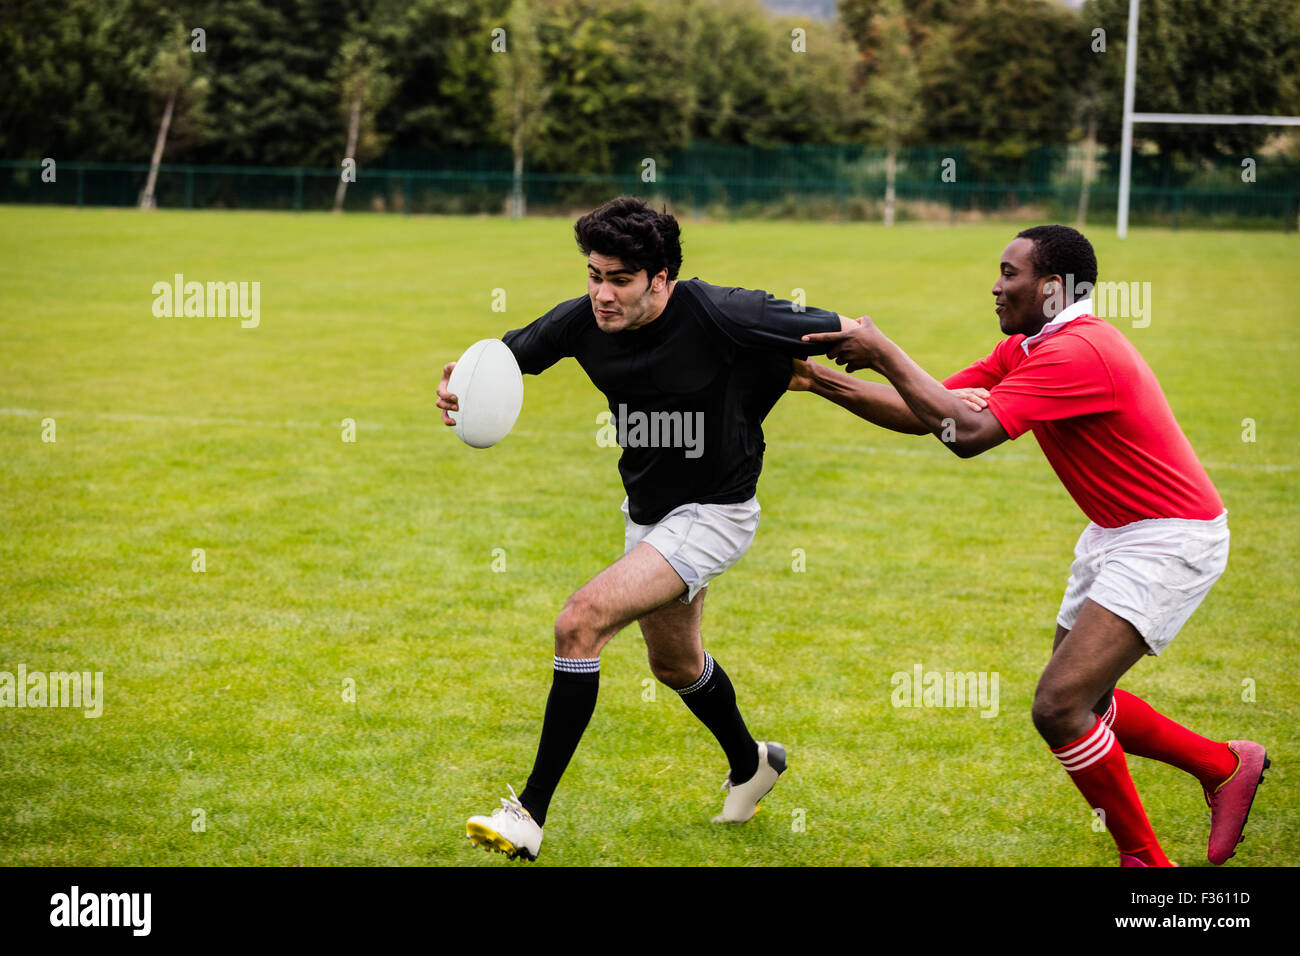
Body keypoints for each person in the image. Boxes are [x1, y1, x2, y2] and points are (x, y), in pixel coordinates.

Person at [438, 196, 1001, 861]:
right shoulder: (579, 323)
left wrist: (936, 391)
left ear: (662, 279)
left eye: (620, 279)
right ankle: (750, 763)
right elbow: (500, 362)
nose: (602, 294)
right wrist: (460, 385)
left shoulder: (727, 312)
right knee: (674, 663)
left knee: (579, 622)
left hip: (717, 513)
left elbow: (859, 336)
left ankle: (527, 815)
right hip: (649, 513)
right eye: (594, 275)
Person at [796, 224, 1267, 867]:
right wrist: (818, 380)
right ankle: (1222, 765)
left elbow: (967, 434)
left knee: (1060, 705)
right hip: (1117, 532)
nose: (996, 285)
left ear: (1051, 287)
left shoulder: (1078, 352)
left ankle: (1146, 864)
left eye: (1009, 273)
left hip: (1169, 538)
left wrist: (882, 349)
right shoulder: (1028, 345)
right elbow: (926, 411)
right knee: (1086, 702)